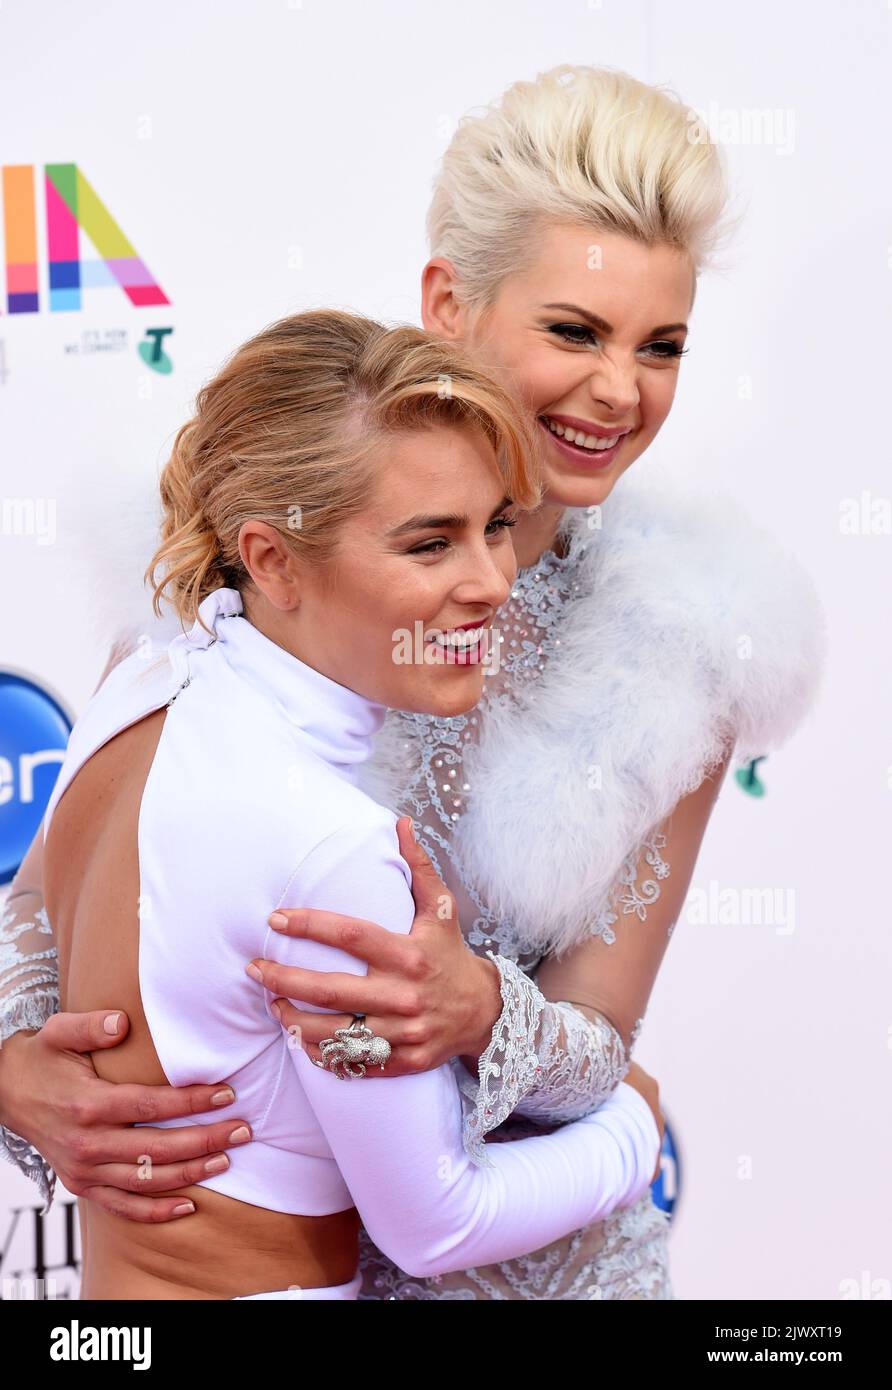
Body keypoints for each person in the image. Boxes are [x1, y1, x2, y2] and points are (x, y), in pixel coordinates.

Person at [0, 65, 826, 1300]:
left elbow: (601, 1041)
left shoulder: (679, 642)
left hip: (531, 1265)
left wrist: (484, 1008)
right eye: (574, 331)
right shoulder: (248, 550)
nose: (621, 389)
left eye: (660, 346)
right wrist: (17, 1064)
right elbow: (53, 891)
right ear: (448, 302)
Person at [15, 309, 666, 1300]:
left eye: (496, 526)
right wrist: (632, 1129)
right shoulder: (333, 849)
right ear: (272, 559)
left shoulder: (138, 689)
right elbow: (436, 1222)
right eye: (429, 544)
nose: (491, 582)